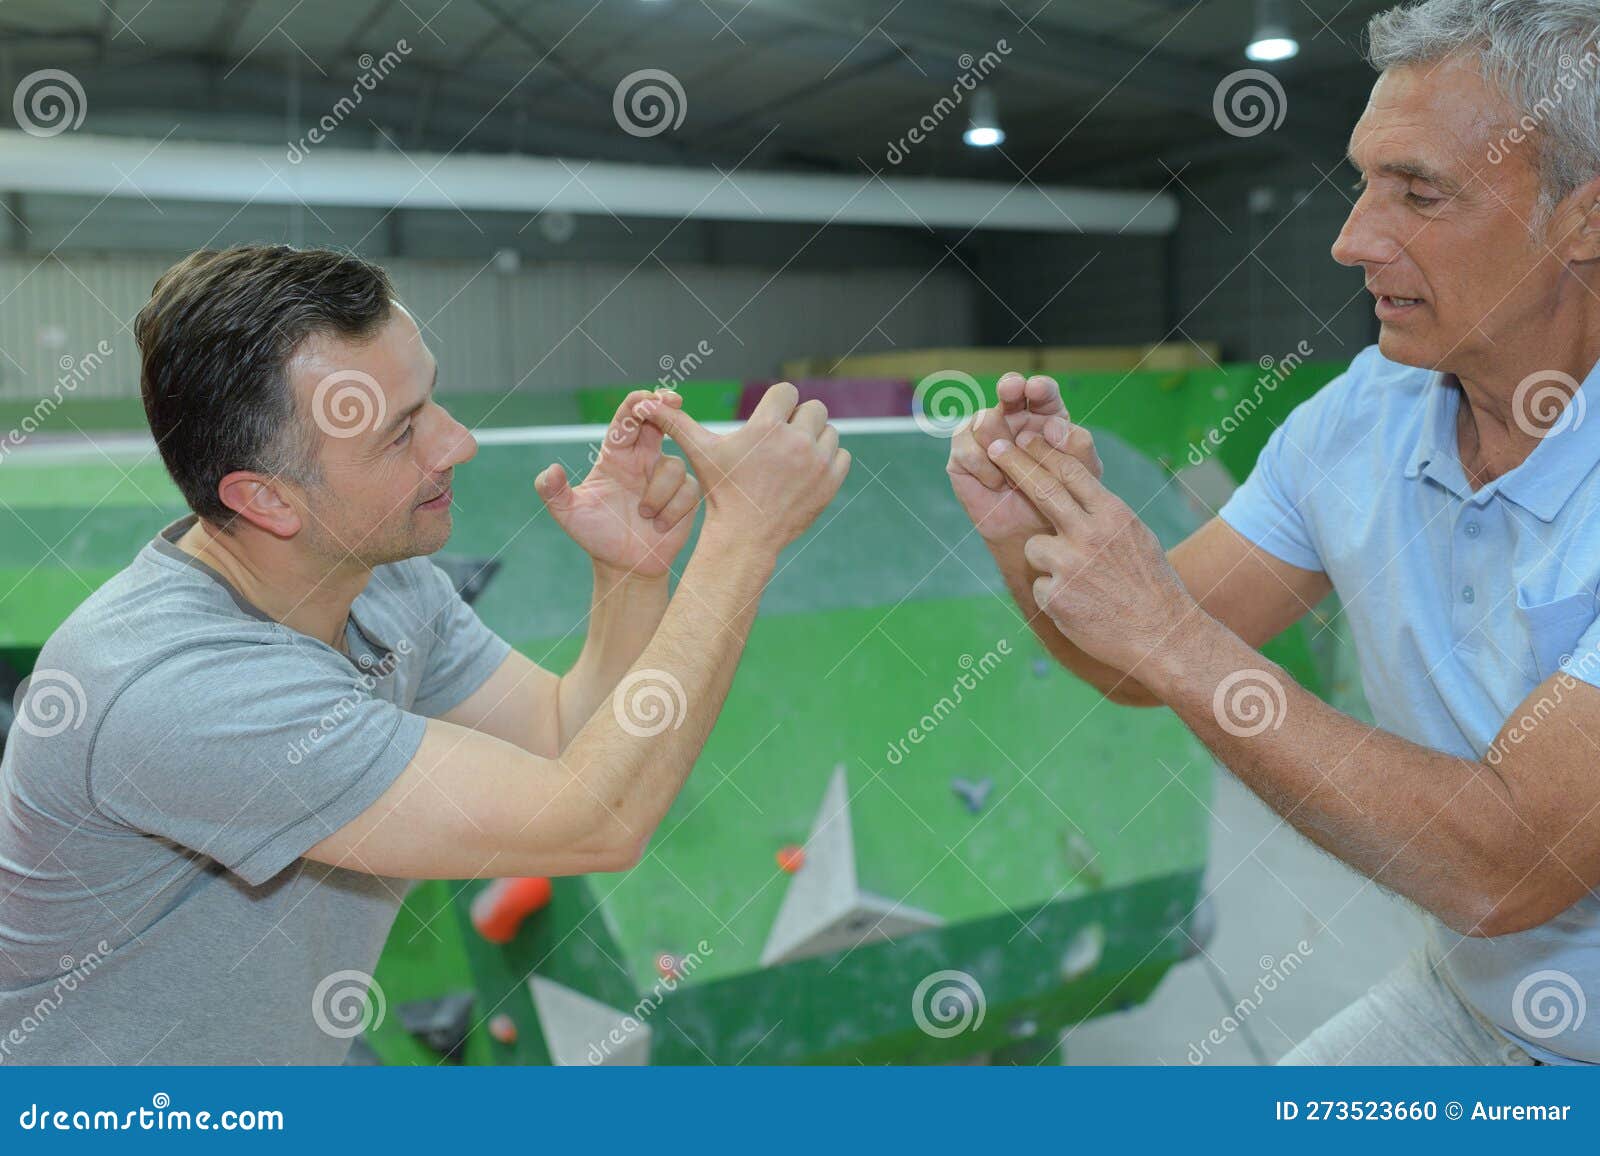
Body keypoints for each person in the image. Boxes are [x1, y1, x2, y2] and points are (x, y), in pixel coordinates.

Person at [0, 244, 849, 1064]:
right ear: (266, 500)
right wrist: (743, 540)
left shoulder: (382, 582)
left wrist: (630, 577)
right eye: (402, 435)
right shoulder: (179, 691)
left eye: (431, 400)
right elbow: (595, 820)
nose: (457, 443)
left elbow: (563, 739)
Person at [948, 0, 1600, 1065]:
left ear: (1584, 217)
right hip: (1472, 1005)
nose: (1353, 240)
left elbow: (1507, 867)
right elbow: (1131, 663)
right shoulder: (1362, 416)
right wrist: (1036, 537)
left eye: (1419, 193)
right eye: (1363, 182)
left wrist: (1167, 634)